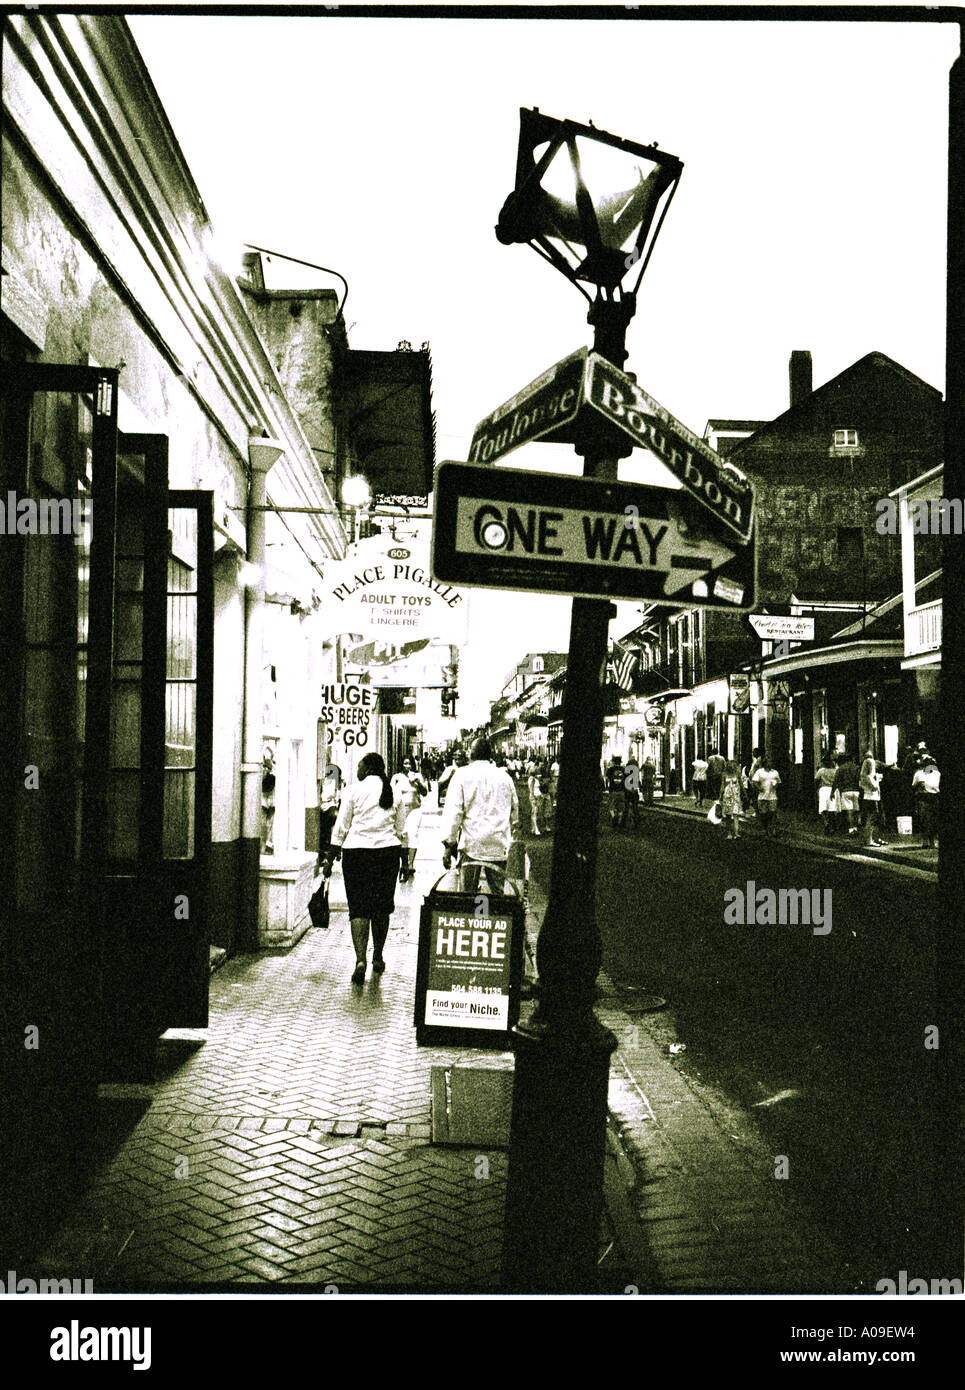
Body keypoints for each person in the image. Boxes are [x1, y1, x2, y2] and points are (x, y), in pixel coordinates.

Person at [322, 751, 407, 985]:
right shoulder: (395, 792)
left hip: (356, 854)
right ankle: (377, 956)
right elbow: (401, 830)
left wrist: (329, 860)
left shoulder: (353, 791)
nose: (357, 771)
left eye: (359, 766)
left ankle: (360, 960)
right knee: (381, 908)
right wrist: (406, 862)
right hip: (387, 854)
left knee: (359, 908)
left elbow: (340, 828)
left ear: (368, 768)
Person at [441, 737, 519, 895]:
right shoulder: (505, 777)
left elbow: (454, 813)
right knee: (498, 893)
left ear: (471, 754)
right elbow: (514, 809)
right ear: (490, 755)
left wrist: (449, 845)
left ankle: (471, 916)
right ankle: (497, 917)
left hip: (471, 845)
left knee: (467, 893)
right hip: (498, 843)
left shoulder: (462, 775)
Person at [391, 756, 428, 882]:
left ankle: (410, 864)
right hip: (401, 810)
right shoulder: (396, 778)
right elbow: (391, 794)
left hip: (415, 809)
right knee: (403, 836)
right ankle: (404, 864)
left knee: (413, 835)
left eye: (409, 763)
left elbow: (424, 793)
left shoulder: (417, 776)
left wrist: (418, 782)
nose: (407, 766)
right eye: (405, 763)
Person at [859, 749, 886, 847]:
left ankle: (874, 838)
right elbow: (866, 776)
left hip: (872, 796)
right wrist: (874, 784)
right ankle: (869, 840)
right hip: (871, 796)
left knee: (875, 818)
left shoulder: (867, 763)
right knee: (871, 818)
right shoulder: (869, 762)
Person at [911, 758, 940, 848]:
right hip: (923, 797)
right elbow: (913, 785)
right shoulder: (919, 774)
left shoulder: (937, 774)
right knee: (924, 819)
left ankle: (931, 841)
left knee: (932, 820)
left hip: (932, 797)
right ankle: (926, 841)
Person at [317, 763, 342, 864]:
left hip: (330, 806)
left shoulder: (334, 783)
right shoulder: (324, 782)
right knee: (324, 831)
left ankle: (330, 852)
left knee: (327, 829)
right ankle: (325, 854)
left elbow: (336, 797)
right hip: (323, 806)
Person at [832, 751, 861, 835]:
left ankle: (851, 829)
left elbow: (836, 781)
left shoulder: (841, 768)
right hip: (856, 791)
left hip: (845, 791)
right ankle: (856, 828)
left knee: (849, 811)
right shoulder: (856, 767)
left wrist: (832, 792)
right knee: (856, 810)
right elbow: (859, 778)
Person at [752, 754, 781, 837]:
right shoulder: (759, 772)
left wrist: (775, 786)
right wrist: (759, 788)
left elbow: (778, 782)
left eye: (771, 762)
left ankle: (772, 829)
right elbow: (754, 782)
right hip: (762, 796)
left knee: (772, 813)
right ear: (765, 763)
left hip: (772, 796)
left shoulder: (775, 772)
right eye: (769, 762)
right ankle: (765, 828)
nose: (770, 763)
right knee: (763, 814)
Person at [719, 759, 745, 840]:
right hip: (734, 796)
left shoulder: (725, 774)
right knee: (735, 815)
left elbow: (722, 786)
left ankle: (730, 833)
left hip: (729, 796)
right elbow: (741, 784)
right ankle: (736, 833)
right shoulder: (736, 774)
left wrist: (720, 796)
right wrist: (745, 794)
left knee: (728, 816)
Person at [814, 753, 837, 835]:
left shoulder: (821, 770)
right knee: (832, 809)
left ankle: (826, 824)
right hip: (833, 790)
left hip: (823, 789)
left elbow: (816, 780)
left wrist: (816, 789)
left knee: (823, 809)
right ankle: (832, 826)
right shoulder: (835, 771)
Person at [605, 755, 626, 827]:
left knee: (611, 806)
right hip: (622, 791)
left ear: (614, 762)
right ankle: (619, 821)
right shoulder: (624, 769)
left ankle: (614, 817)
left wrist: (607, 787)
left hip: (613, 790)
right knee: (621, 807)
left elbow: (607, 779)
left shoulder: (610, 769)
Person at [622, 756, 641, 828]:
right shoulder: (636, 771)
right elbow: (638, 781)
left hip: (627, 790)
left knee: (626, 807)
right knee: (635, 807)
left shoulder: (626, 770)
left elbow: (624, 780)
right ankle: (637, 821)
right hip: (634, 791)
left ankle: (624, 822)